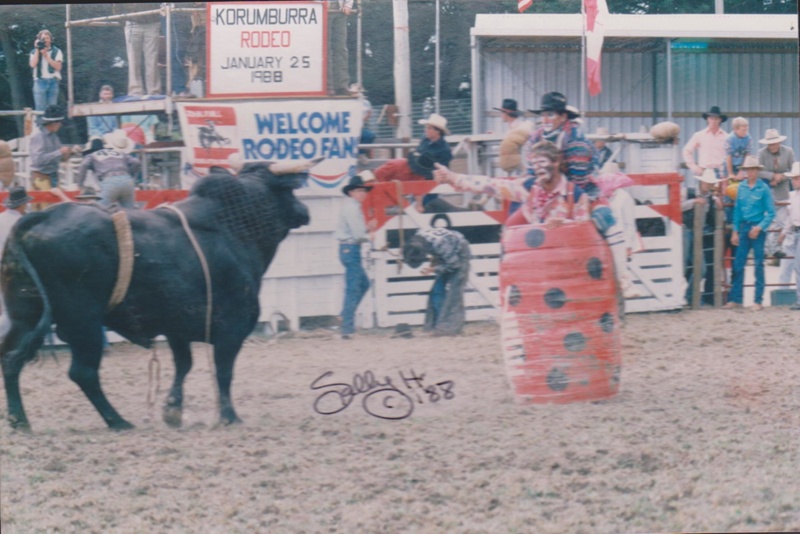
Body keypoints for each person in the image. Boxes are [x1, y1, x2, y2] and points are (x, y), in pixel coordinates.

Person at [434, 141, 629, 299]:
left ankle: (623, 280)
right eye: (534, 165)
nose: (538, 170)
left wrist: (566, 227)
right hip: (542, 258)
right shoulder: (530, 187)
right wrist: (453, 177)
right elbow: (491, 184)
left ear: (556, 163)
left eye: (541, 164)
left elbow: (586, 234)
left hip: (570, 262)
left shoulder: (575, 195)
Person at [724, 156, 775, 311]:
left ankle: (757, 300)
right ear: (745, 171)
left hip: (757, 229)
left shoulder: (764, 189)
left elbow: (771, 213)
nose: (750, 172)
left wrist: (759, 228)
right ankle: (736, 299)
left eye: (753, 169)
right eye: (748, 169)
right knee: (738, 264)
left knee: (759, 264)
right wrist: (735, 231)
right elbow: (737, 212)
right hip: (745, 227)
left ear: (757, 171)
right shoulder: (741, 188)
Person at [525, 92, 600, 199]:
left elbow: (578, 181)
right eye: (543, 115)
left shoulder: (577, 143)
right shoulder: (534, 140)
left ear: (563, 117)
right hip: (544, 190)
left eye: (550, 115)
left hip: (579, 191)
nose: (545, 120)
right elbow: (531, 172)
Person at [373, 113, 453, 210]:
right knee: (416, 201)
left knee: (429, 204)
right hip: (418, 173)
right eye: (426, 127)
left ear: (437, 131)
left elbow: (444, 168)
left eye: (429, 128)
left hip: (431, 178)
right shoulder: (425, 139)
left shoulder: (445, 150)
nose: (426, 130)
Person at [402, 227, 471, 336]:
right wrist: (435, 263)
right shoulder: (421, 237)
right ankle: (437, 325)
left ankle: (449, 328)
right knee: (437, 291)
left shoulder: (435, 242)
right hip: (447, 251)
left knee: (454, 291)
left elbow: (454, 264)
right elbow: (436, 249)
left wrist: (434, 269)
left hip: (459, 252)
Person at [334, 173, 376, 339]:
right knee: (355, 286)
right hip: (350, 249)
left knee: (362, 284)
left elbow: (357, 231)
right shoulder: (351, 208)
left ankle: (345, 315)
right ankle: (347, 328)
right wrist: (369, 234)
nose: (362, 194)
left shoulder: (351, 206)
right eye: (359, 191)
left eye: (364, 191)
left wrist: (366, 230)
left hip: (349, 249)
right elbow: (358, 235)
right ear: (351, 192)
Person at [680, 168, 725, 306]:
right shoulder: (688, 192)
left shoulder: (711, 198)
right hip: (685, 231)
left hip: (697, 236)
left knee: (701, 268)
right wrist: (694, 202)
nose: (709, 185)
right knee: (684, 266)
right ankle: (686, 296)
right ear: (702, 182)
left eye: (710, 183)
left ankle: (687, 296)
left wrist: (717, 205)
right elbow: (677, 207)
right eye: (707, 182)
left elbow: (719, 217)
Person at [756, 128, 795, 271]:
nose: (773, 146)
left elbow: (793, 170)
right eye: (770, 144)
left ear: (779, 142)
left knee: (782, 222)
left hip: (783, 191)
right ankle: (767, 250)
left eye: (775, 143)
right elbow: (758, 171)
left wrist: (781, 177)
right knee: (768, 221)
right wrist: (772, 176)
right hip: (766, 191)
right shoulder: (761, 154)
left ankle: (777, 248)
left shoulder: (788, 152)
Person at [76, 129, 140, 208]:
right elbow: (136, 162)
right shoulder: (119, 152)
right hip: (127, 181)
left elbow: (84, 164)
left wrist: (80, 185)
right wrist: (129, 175)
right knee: (129, 214)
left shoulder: (92, 155)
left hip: (109, 181)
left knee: (100, 211)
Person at [29, 105, 78, 196]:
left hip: (53, 176)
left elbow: (61, 158)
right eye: (59, 123)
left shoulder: (54, 136)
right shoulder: (38, 136)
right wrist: (59, 152)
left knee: (55, 206)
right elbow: (38, 160)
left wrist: (71, 152)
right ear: (53, 123)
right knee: (44, 207)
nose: (60, 125)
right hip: (41, 177)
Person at [117, 4, 162, 96]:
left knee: (152, 59)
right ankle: (135, 91)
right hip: (132, 22)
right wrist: (123, 21)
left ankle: (154, 91)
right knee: (133, 59)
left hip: (153, 22)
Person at [682, 105, 728, 181]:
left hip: (721, 173)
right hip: (704, 172)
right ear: (707, 119)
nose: (713, 121)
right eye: (711, 118)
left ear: (720, 120)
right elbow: (686, 151)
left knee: (721, 193)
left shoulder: (727, 137)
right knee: (704, 193)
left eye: (716, 118)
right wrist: (694, 167)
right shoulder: (699, 135)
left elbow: (731, 155)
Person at [28, 29, 63, 118]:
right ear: (39, 40)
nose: (46, 40)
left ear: (51, 39)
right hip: (39, 82)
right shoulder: (34, 52)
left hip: (53, 82)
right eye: (43, 38)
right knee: (40, 109)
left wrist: (46, 56)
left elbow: (58, 67)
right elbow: (33, 64)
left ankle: (50, 130)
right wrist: (37, 49)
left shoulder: (56, 51)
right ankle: (40, 130)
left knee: (52, 109)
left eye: (47, 38)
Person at [779, 163, 800, 310]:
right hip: (796, 231)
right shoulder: (793, 196)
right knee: (797, 266)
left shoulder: (793, 197)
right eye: (793, 178)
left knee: (798, 266)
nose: (794, 181)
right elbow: (790, 218)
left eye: (796, 178)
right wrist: (784, 233)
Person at [327, 0, 355, 96]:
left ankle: (341, 86)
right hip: (321, 9)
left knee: (341, 48)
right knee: (325, 49)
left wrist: (348, 5)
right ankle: (328, 86)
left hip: (340, 11)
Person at [724, 116, 752, 181]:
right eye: (743, 130)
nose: (745, 132)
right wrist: (730, 173)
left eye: (747, 129)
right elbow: (728, 156)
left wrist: (741, 171)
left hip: (742, 164)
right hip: (730, 165)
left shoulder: (748, 138)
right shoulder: (730, 139)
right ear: (735, 129)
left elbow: (747, 155)